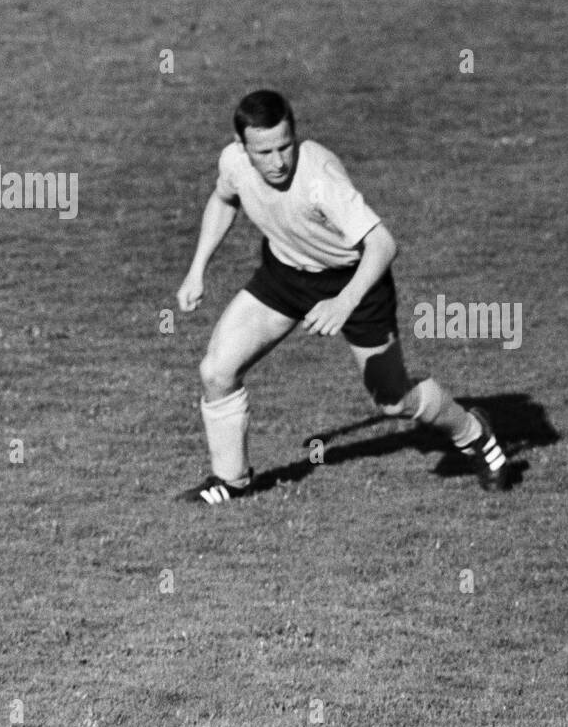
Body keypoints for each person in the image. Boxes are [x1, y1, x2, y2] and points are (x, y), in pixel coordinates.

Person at [175, 89, 510, 504]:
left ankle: (473, 434)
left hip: (356, 281)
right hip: (284, 275)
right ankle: (231, 480)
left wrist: (343, 302)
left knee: (393, 400)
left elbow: (383, 245)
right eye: (264, 152)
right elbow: (225, 198)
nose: (278, 162)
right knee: (216, 372)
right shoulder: (233, 163)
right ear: (243, 148)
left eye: (285, 146)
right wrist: (197, 269)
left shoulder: (319, 179)